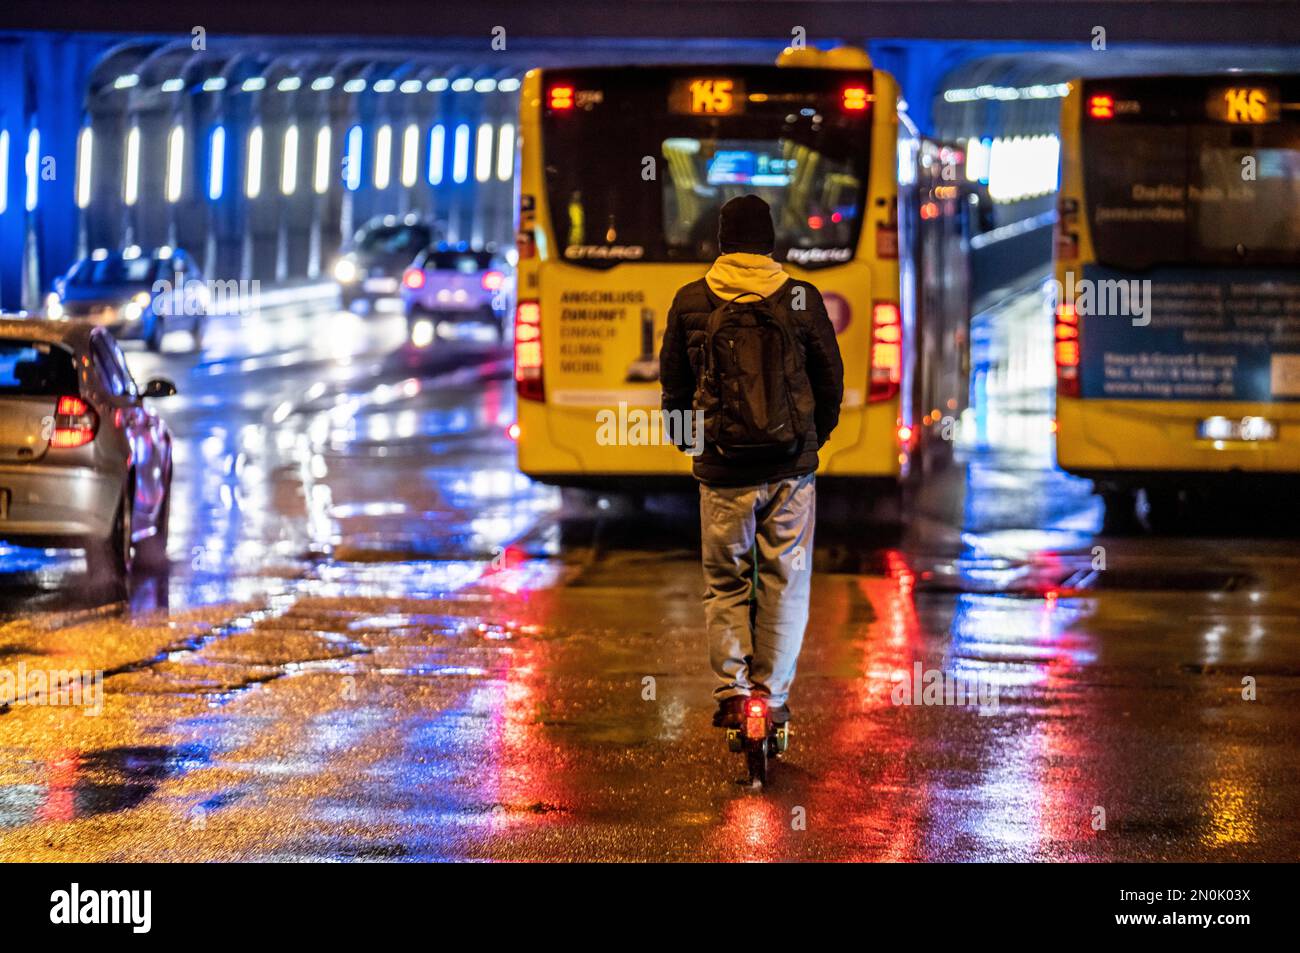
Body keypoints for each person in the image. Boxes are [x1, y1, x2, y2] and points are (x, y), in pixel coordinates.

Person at [659, 194, 844, 728]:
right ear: (769, 241)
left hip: (722, 471)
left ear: (721, 242)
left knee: (726, 583)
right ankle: (774, 694)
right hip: (790, 470)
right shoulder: (802, 298)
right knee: (786, 578)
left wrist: (692, 444)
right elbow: (830, 382)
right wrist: (813, 440)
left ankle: (735, 691)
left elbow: (674, 389)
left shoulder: (692, 299)